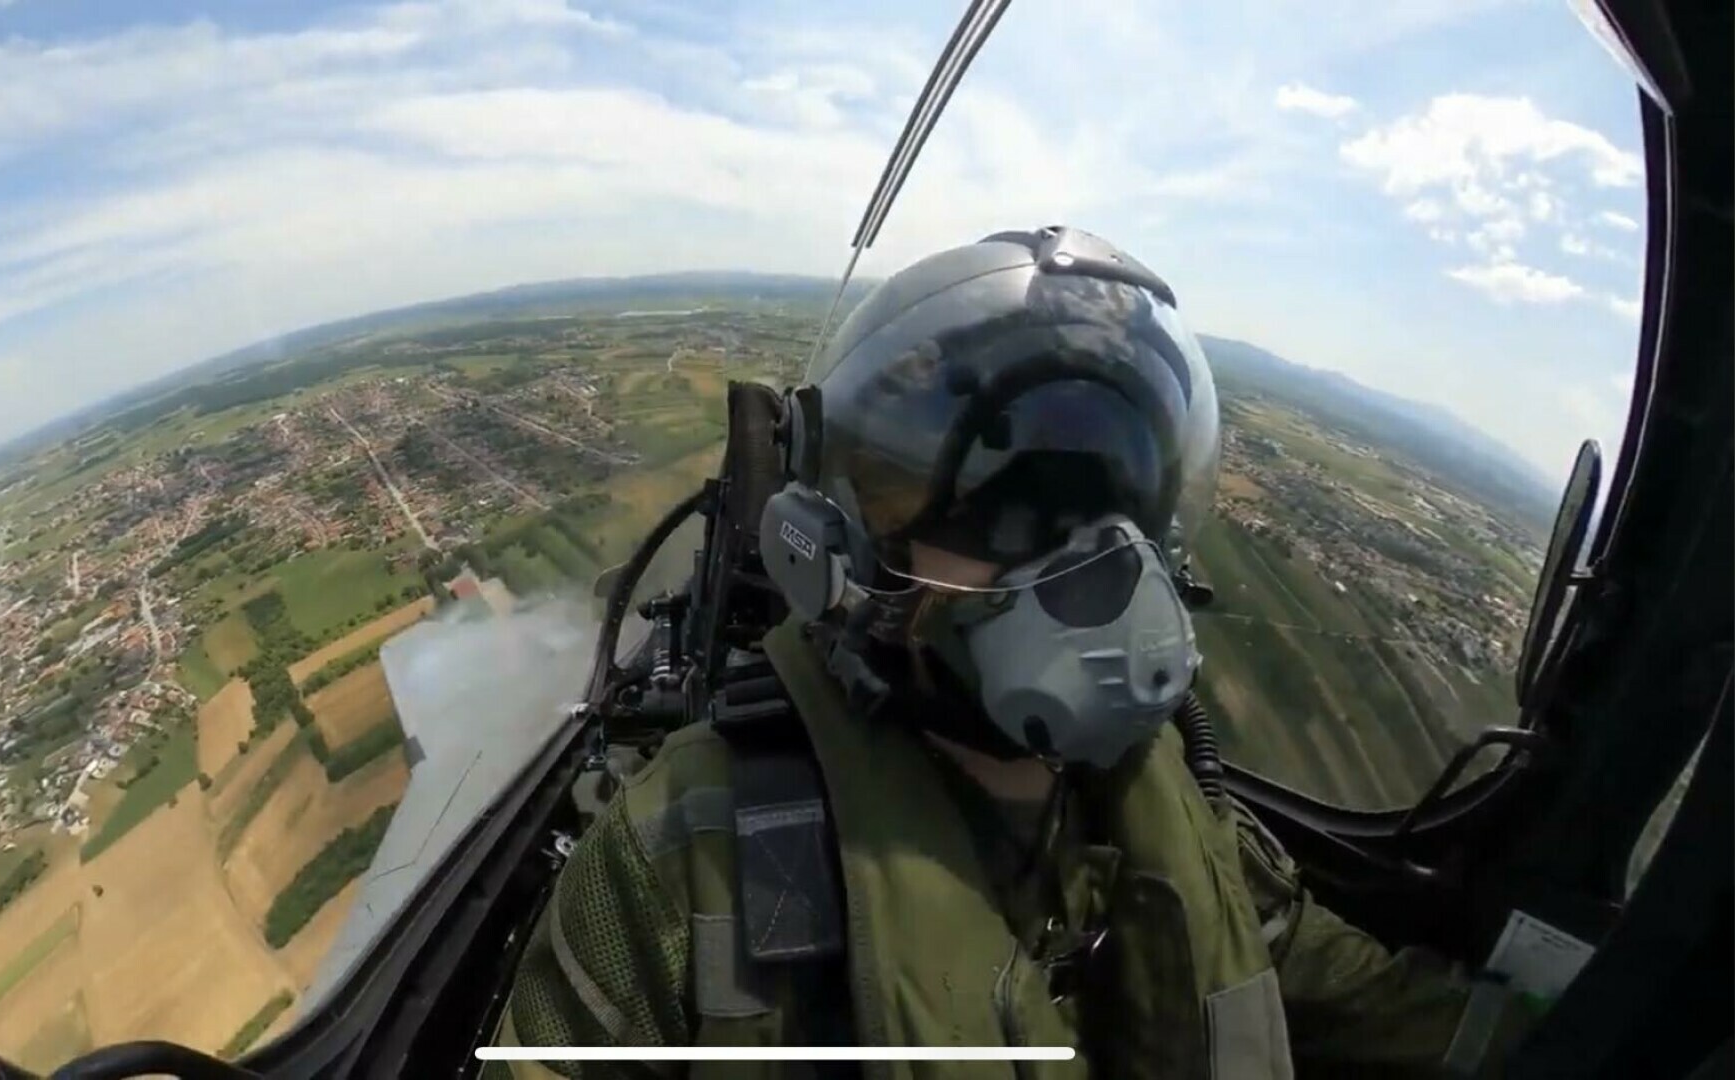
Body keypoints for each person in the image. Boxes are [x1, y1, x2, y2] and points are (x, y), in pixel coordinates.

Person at [488, 227, 1529, 1078]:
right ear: (846, 542)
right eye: (1014, 509)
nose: (1098, 571)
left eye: (1123, 513)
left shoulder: (1174, 808)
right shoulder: (686, 855)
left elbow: (1363, 997)